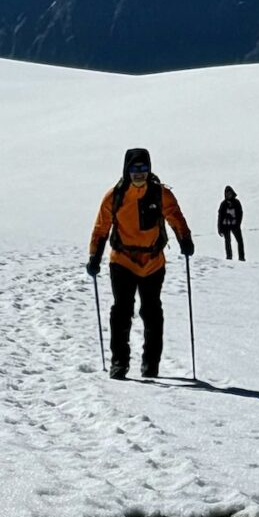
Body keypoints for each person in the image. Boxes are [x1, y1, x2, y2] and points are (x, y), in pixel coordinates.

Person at [88, 146, 193, 380]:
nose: (139, 173)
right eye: (134, 168)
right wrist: (94, 256)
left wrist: (185, 238)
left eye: (143, 168)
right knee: (122, 312)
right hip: (122, 260)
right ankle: (119, 363)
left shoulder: (160, 194)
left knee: (152, 312)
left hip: (153, 262)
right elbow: (101, 228)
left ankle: (150, 364)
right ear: (127, 170)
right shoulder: (114, 196)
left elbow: (175, 216)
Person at [217, 186, 245, 261]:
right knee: (227, 242)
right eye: (227, 193)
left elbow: (240, 213)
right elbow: (220, 217)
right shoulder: (223, 204)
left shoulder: (237, 202)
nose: (229, 195)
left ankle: (241, 258)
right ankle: (229, 257)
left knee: (240, 241)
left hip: (235, 225)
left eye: (230, 193)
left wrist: (238, 223)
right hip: (225, 226)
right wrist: (219, 229)